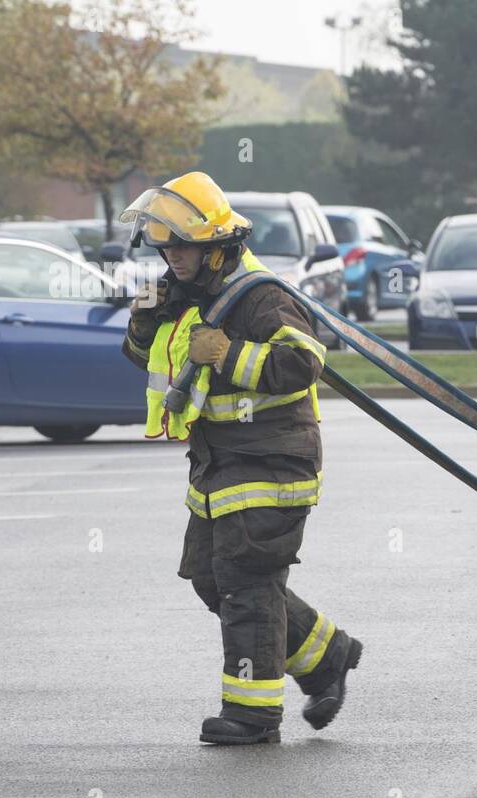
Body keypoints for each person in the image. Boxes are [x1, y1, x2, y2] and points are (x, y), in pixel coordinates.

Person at [119, 171, 361, 745]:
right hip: (218, 466)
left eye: (182, 245)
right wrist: (145, 318)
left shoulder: (260, 298)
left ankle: (253, 715)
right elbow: (145, 359)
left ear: (215, 246)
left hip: (272, 465)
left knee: (246, 582)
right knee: (211, 577)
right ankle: (327, 655)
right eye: (165, 245)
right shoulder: (185, 292)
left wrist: (229, 353)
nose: (171, 255)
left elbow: (302, 364)